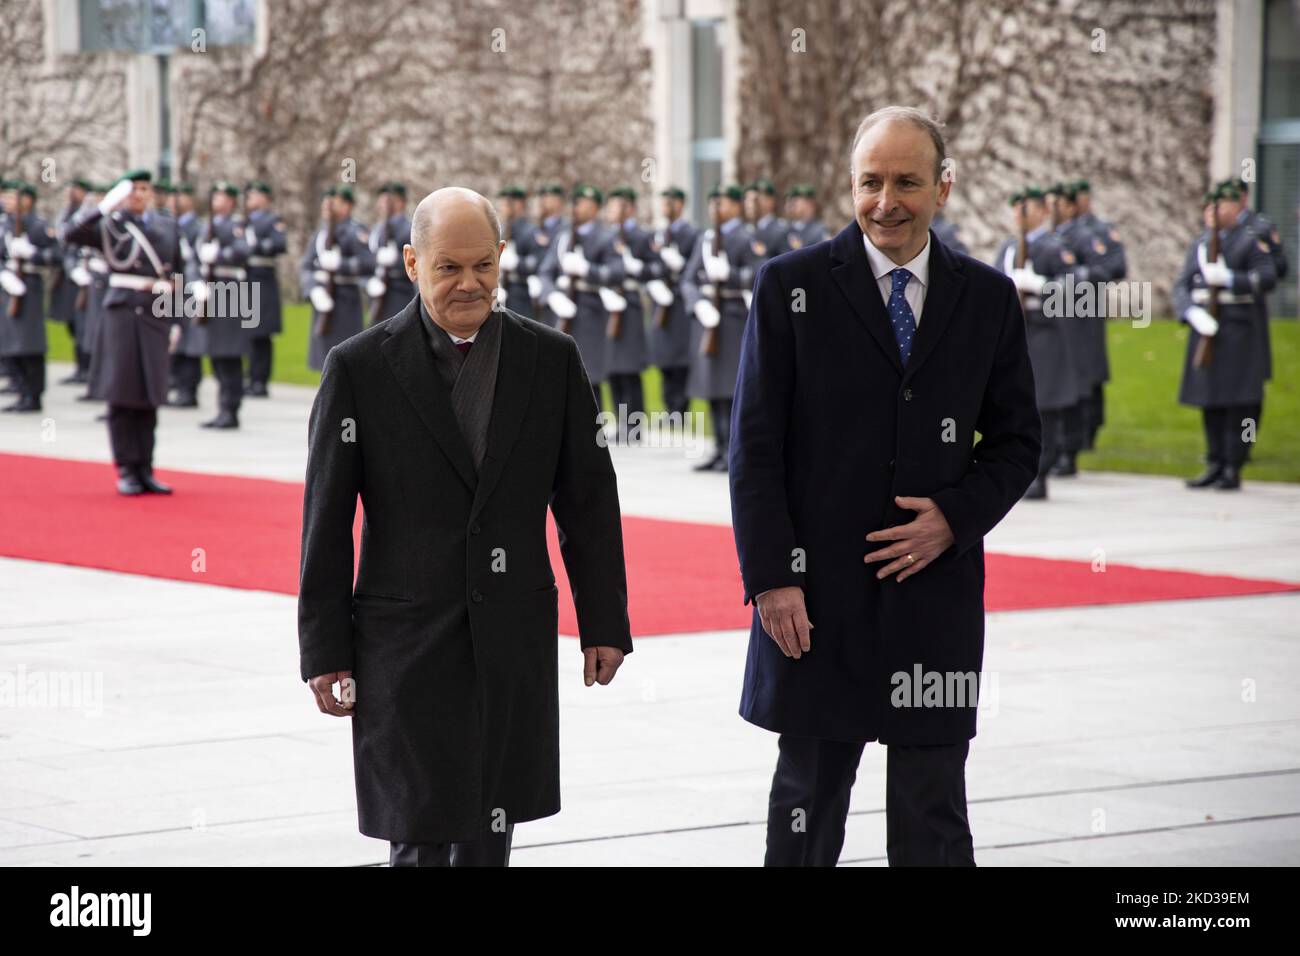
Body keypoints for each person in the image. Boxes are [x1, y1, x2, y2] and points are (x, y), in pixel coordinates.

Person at [730, 106, 1040, 866]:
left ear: (943, 187)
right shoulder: (788, 287)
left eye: (907, 181)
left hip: (932, 601)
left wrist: (953, 519)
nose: (886, 201)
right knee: (807, 805)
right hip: (814, 604)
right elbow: (755, 450)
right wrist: (773, 581)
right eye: (871, 182)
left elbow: (1017, 443)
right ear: (851, 185)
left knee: (933, 816)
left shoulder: (988, 298)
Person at [298, 186, 632, 867]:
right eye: (449, 267)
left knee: (489, 831)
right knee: (416, 832)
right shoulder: (359, 368)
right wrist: (324, 648)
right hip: (403, 642)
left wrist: (604, 622)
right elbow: (326, 521)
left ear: (503, 258)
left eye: (483, 265)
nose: (469, 283)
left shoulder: (551, 360)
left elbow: (588, 502)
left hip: (510, 636)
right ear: (412, 262)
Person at [61, 169, 183, 495]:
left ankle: (145, 467)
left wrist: (178, 321)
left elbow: (179, 274)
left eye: (144, 188)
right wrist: (103, 208)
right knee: (122, 393)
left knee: (149, 394)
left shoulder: (168, 225)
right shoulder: (110, 224)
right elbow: (69, 234)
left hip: (157, 314)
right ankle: (126, 468)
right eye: (132, 189)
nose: (139, 195)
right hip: (122, 314)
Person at [1175, 180, 1277, 491]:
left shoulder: (1250, 241)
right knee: (1212, 399)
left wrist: (1232, 279)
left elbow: (1268, 277)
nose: (1213, 212)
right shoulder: (1201, 244)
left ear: (1237, 207)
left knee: (1241, 403)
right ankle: (1215, 461)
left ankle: (1235, 462)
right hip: (1207, 325)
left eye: (1220, 206)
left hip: (1239, 329)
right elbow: (1182, 285)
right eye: (1208, 207)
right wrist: (1191, 312)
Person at [994, 187, 1077, 500]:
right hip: (1014, 332)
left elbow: (1075, 289)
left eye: (1026, 209)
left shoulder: (1054, 246)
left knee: (1043, 406)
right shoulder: (1007, 247)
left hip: (1043, 332)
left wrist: (1041, 286)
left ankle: (1041, 473)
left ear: (1043, 211)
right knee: (1013, 404)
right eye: (1016, 209)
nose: (1019, 215)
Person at [680, 183, 761, 472]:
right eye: (713, 202)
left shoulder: (746, 237)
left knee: (730, 387)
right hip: (709, 318)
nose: (716, 207)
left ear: (737, 206)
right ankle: (718, 447)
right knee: (712, 385)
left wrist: (733, 275)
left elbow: (760, 272)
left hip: (733, 318)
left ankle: (732, 450)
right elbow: (688, 278)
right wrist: (697, 304)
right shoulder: (706, 237)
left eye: (722, 202)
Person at [536, 183, 623, 405]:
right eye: (575, 203)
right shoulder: (563, 237)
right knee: (560, 375)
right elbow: (545, 272)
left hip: (590, 313)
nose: (577, 208)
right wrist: (552, 296)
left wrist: (587, 269)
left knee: (590, 377)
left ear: (595, 208)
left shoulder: (606, 237)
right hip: (562, 310)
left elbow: (617, 272)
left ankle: (594, 431)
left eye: (583, 203)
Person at [190, 180, 251, 429]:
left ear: (232, 202)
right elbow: (194, 260)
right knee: (216, 354)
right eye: (215, 197)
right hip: (210, 294)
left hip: (231, 293)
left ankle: (231, 409)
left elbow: (244, 250)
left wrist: (220, 255)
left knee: (230, 355)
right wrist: (195, 283)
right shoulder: (206, 227)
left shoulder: (239, 225)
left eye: (223, 197)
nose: (218, 202)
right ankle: (222, 408)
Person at [0, 180, 61, 412]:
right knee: (10, 343)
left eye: (12, 197)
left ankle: (33, 395)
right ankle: (20, 389)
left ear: (27, 200)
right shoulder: (5, 225)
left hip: (30, 288)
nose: (6, 202)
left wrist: (33, 255)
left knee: (30, 344)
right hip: (10, 287)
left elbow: (57, 256)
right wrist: (4, 274)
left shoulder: (38, 226)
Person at [300, 185, 375, 372]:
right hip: (324, 298)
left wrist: (341, 264)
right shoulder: (321, 233)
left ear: (347, 206)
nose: (327, 205)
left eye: (334, 201)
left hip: (346, 299)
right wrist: (313, 289)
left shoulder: (356, 231)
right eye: (326, 201)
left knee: (347, 358)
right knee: (325, 359)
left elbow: (368, 263)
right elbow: (306, 265)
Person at [643, 186, 697, 419]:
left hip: (679, 301)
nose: (665, 207)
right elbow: (650, 264)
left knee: (681, 356)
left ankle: (680, 407)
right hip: (662, 301)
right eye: (663, 203)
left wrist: (679, 263)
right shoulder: (659, 234)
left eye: (669, 203)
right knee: (664, 355)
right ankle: (669, 406)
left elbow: (693, 267)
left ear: (680, 204)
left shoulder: (691, 233)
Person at [243, 179, 288, 396]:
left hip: (263, 279)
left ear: (264, 198)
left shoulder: (272, 220)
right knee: (248, 332)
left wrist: (256, 246)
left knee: (261, 333)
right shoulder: (244, 221)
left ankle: (260, 380)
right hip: (246, 278)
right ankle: (250, 376)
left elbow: (279, 244)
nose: (249, 199)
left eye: (254, 195)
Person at [366, 181, 415, 324]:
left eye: (386, 200)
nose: (381, 204)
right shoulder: (378, 228)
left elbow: (416, 261)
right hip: (379, 292)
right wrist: (368, 281)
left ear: (399, 202)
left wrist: (397, 260)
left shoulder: (408, 229)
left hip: (400, 292)